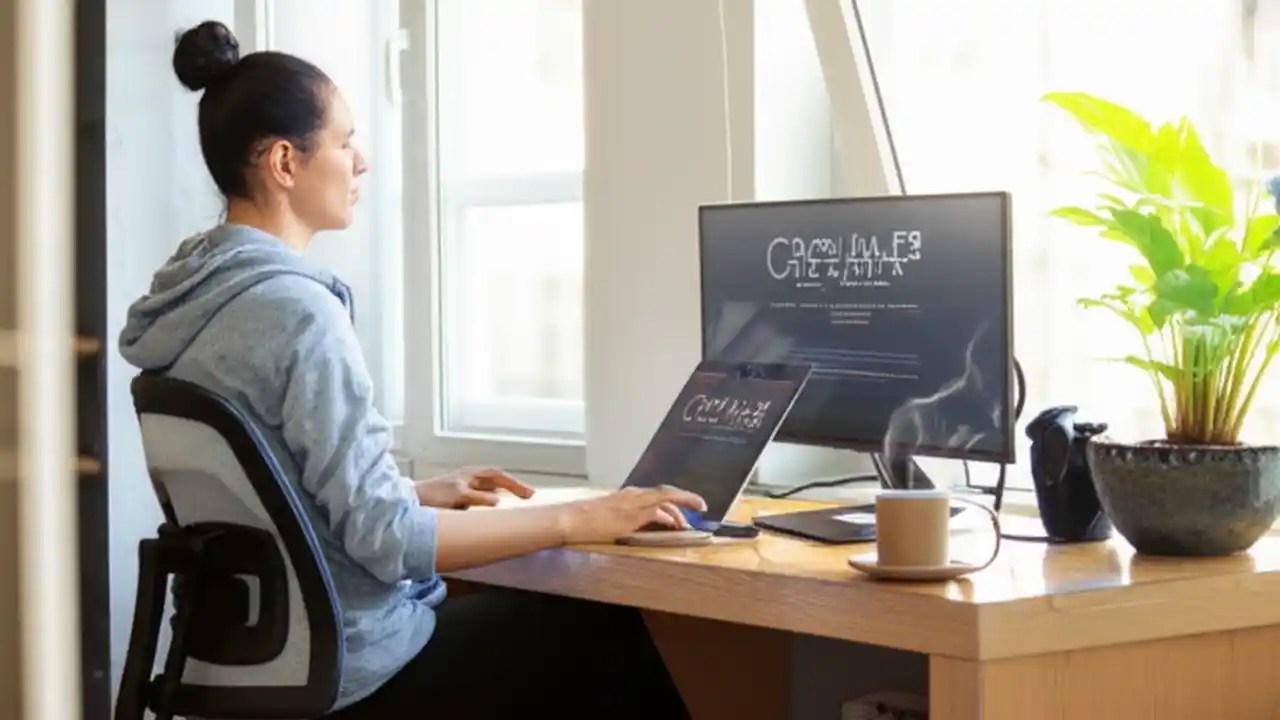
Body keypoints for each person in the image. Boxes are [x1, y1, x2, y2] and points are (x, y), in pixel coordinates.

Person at [119, 20, 704, 719]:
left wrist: (412, 490)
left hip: (257, 671)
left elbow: (275, 495)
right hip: (356, 669)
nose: (360, 163)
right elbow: (389, 542)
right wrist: (583, 516)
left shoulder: (192, 310)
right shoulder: (295, 312)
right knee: (603, 630)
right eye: (343, 142)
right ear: (284, 162)